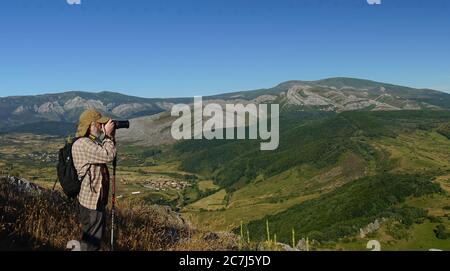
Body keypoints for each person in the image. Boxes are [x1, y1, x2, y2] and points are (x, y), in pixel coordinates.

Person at [72, 109, 116, 251]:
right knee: (91, 243)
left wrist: (107, 137)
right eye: (99, 124)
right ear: (90, 125)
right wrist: (108, 136)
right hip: (91, 201)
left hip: (91, 199)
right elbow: (108, 155)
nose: (101, 127)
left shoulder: (88, 141)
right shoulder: (84, 144)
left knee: (91, 238)